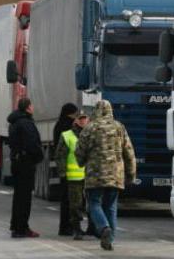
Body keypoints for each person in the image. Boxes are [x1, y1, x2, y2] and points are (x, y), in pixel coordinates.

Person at [75, 100, 136, 251]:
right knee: (110, 206)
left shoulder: (89, 128)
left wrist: (81, 162)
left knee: (94, 203)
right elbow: (129, 153)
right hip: (116, 175)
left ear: (95, 111)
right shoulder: (119, 127)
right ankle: (109, 240)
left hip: (95, 175)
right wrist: (131, 175)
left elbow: (80, 151)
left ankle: (103, 228)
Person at [8, 97, 43, 238]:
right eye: (32, 105)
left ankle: (16, 226)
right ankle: (22, 228)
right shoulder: (26, 123)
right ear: (28, 108)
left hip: (17, 162)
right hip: (25, 163)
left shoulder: (14, 122)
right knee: (24, 198)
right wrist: (38, 157)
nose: (33, 108)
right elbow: (32, 144)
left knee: (18, 197)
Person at [56, 112, 90, 240]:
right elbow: (60, 156)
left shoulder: (91, 135)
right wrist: (63, 172)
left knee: (91, 204)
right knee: (75, 205)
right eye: (80, 119)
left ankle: (92, 228)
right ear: (75, 121)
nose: (83, 121)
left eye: (85, 118)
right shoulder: (67, 135)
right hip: (74, 177)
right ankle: (76, 229)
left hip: (90, 176)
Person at [53, 102, 79, 236]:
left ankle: (65, 226)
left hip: (65, 169)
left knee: (66, 199)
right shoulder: (69, 127)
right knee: (71, 201)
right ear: (71, 113)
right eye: (75, 113)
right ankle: (68, 226)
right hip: (72, 169)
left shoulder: (58, 125)